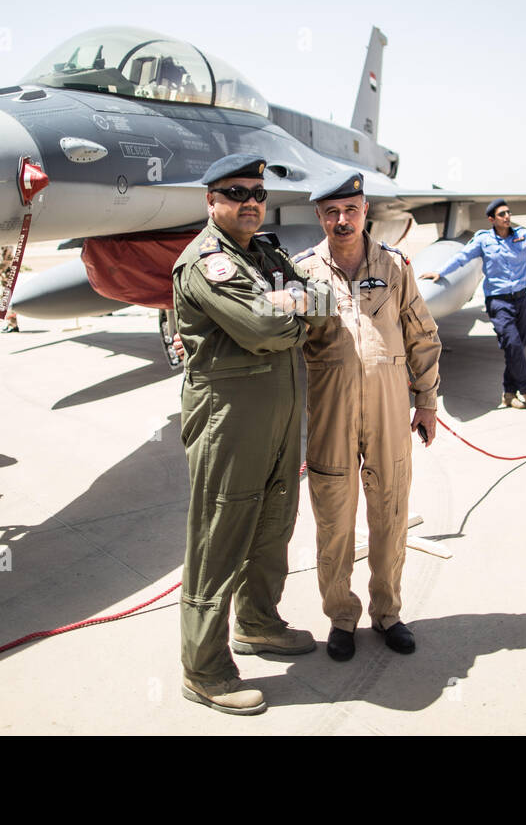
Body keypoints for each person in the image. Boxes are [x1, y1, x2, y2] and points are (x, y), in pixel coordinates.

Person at [171, 152, 331, 715]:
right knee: (221, 533)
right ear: (210, 201)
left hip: (280, 411)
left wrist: (291, 303)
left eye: (258, 194)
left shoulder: (262, 253)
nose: (250, 203)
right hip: (229, 417)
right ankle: (204, 668)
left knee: (274, 519)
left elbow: (327, 303)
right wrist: (289, 308)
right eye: (236, 193)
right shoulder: (207, 262)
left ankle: (259, 623)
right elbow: (264, 328)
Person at [292, 172, 442, 661]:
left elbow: (422, 333)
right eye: (331, 212)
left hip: (389, 411)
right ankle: (340, 617)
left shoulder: (395, 267)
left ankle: (388, 613)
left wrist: (427, 401)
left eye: (350, 210)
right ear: (319, 215)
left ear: (365, 210)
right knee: (333, 519)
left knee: (391, 513)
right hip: (331, 413)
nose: (341, 220)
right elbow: (284, 345)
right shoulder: (302, 271)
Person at [421, 201, 526, 410]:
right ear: (492, 219)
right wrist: (440, 272)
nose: (507, 216)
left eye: (508, 212)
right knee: (512, 343)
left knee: (519, 344)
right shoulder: (484, 240)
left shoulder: (521, 235)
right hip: (498, 301)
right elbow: (462, 257)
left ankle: (509, 393)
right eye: (502, 214)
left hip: (521, 299)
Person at [0, 245, 19, 333]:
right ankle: (10, 323)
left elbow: (2, 264)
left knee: (6, 300)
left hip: (5, 277)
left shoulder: (4, 247)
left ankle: (12, 324)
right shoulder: (5, 245)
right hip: (6, 276)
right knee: (5, 300)